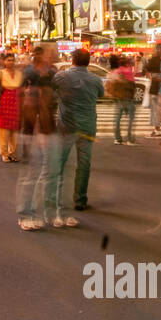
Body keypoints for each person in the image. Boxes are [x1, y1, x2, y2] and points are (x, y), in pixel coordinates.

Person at [53, 49, 104, 215]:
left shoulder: (61, 77)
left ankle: (55, 197)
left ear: (72, 60)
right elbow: (101, 95)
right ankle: (80, 199)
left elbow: (52, 93)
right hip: (87, 126)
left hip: (66, 125)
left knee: (60, 161)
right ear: (88, 62)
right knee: (84, 164)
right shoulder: (96, 80)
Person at [16, 46, 58, 230]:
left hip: (47, 127)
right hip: (31, 127)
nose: (54, 54)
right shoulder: (31, 73)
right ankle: (26, 214)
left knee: (45, 172)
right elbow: (22, 98)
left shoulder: (52, 73)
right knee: (30, 173)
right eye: (51, 52)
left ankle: (37, 212)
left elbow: (51, 101)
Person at [0, 52, 24, 162]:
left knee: (14, 130)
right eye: (8, 60)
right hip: (4, 103)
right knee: (3, 130)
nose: (11, 62)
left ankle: (12, 152)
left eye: (12, 60)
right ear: (4, 62)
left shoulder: (19, 74)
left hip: (16, 103)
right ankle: (4, 153)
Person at [108, 54, 138, 145]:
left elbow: (112, 82)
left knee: (117, 117)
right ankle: (129, 139)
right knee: (131, 118)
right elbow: (129, 83)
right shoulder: (126, 71)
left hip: (118, 97)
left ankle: (117, 138)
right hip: (127, 97)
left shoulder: (114, 71)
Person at [144, 45, 161, 137]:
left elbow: (147, 68)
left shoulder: (154, 60)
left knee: (155, 110)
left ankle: (157, 129)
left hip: (155, 90)